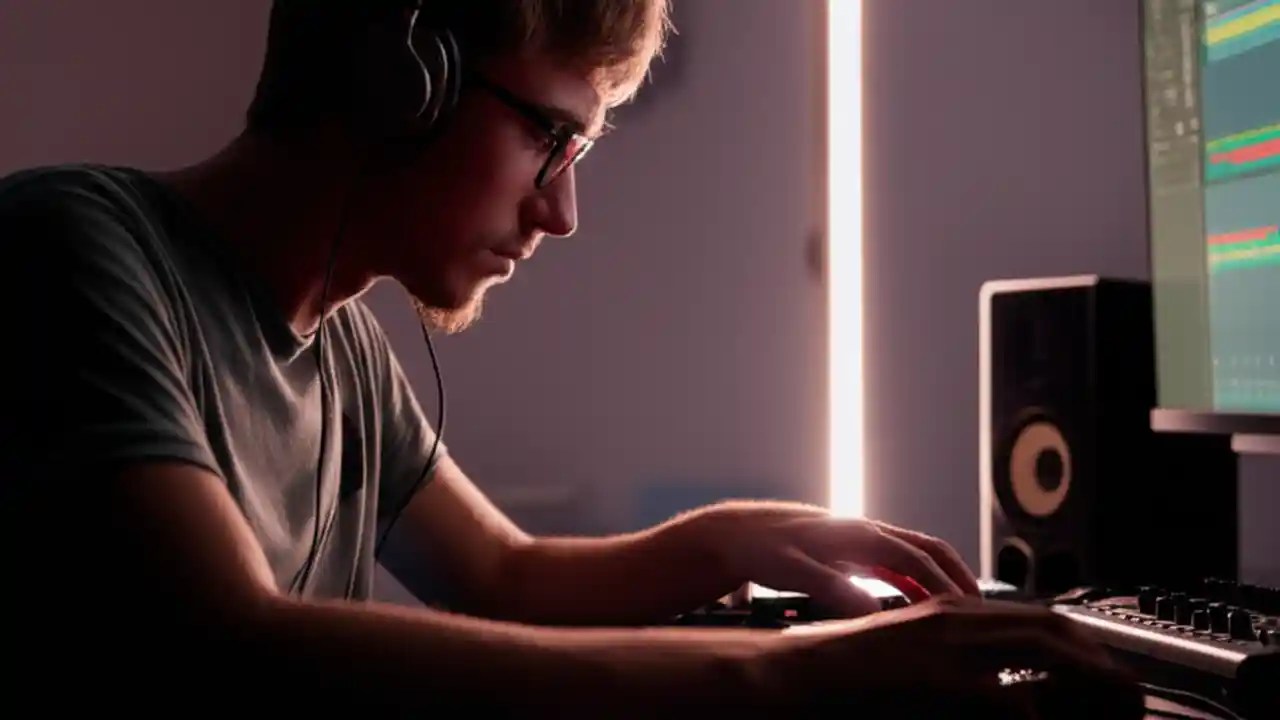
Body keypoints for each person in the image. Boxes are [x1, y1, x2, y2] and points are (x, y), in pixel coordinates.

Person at [0, 0, 1138, 715]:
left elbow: (505, 577)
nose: (563, 211)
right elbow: (230, 645)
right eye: (550, 136)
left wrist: (734, 538)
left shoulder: (343, 351)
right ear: (404, 79)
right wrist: (801, 672)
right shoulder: (72, 250)